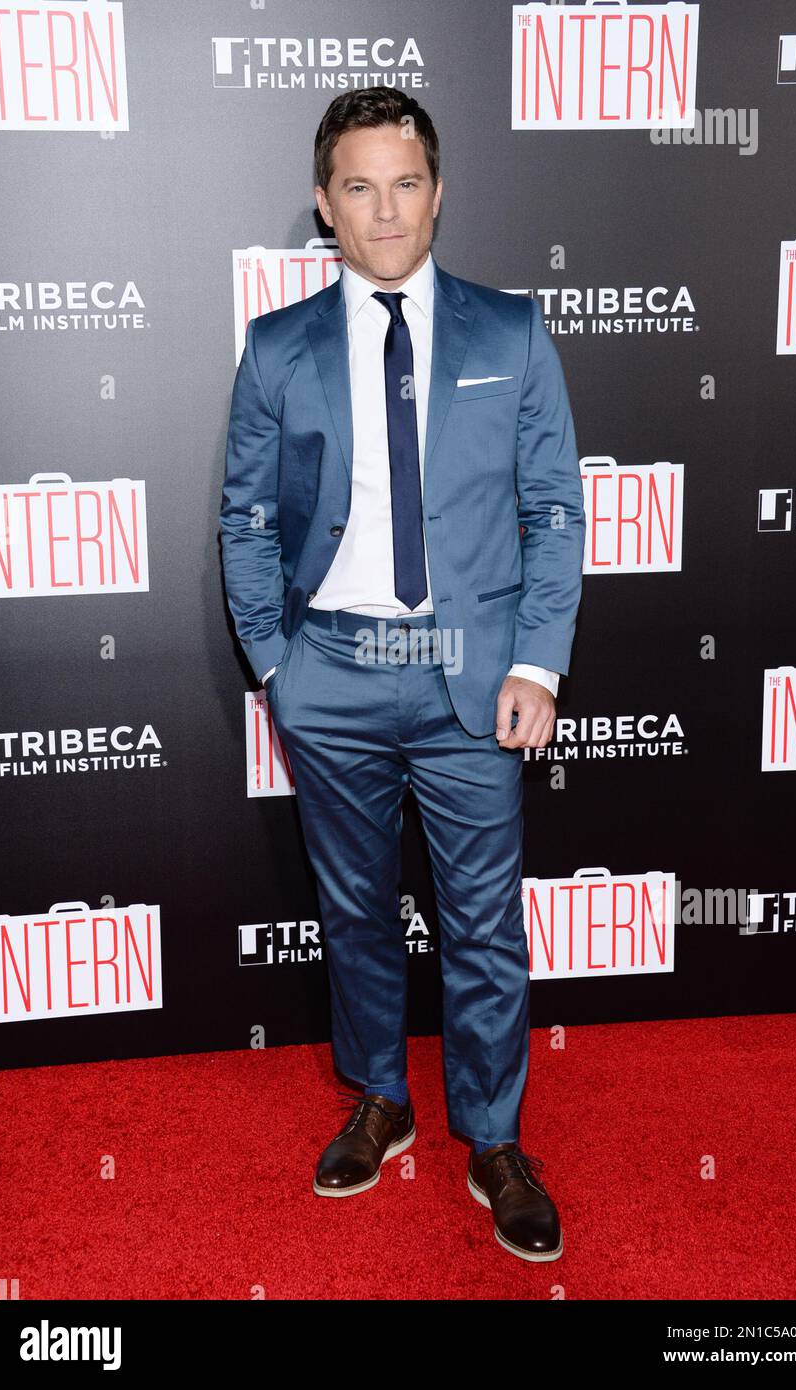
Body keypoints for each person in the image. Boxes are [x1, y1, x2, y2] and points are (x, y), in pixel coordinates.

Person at [220, 87, 585, 1262]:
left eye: (407, 182)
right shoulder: (277, 347)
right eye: (359, 186)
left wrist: (536, 660)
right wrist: (278, 667)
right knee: (354, 909)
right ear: (323, 205)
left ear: (439, 192)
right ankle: (378, 1098)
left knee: (483, 919)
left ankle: (491, 1137)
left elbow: (551, 510)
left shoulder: (508, 332)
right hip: (331, 672)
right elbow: (243, 521)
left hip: (471, 684)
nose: (386, 209)